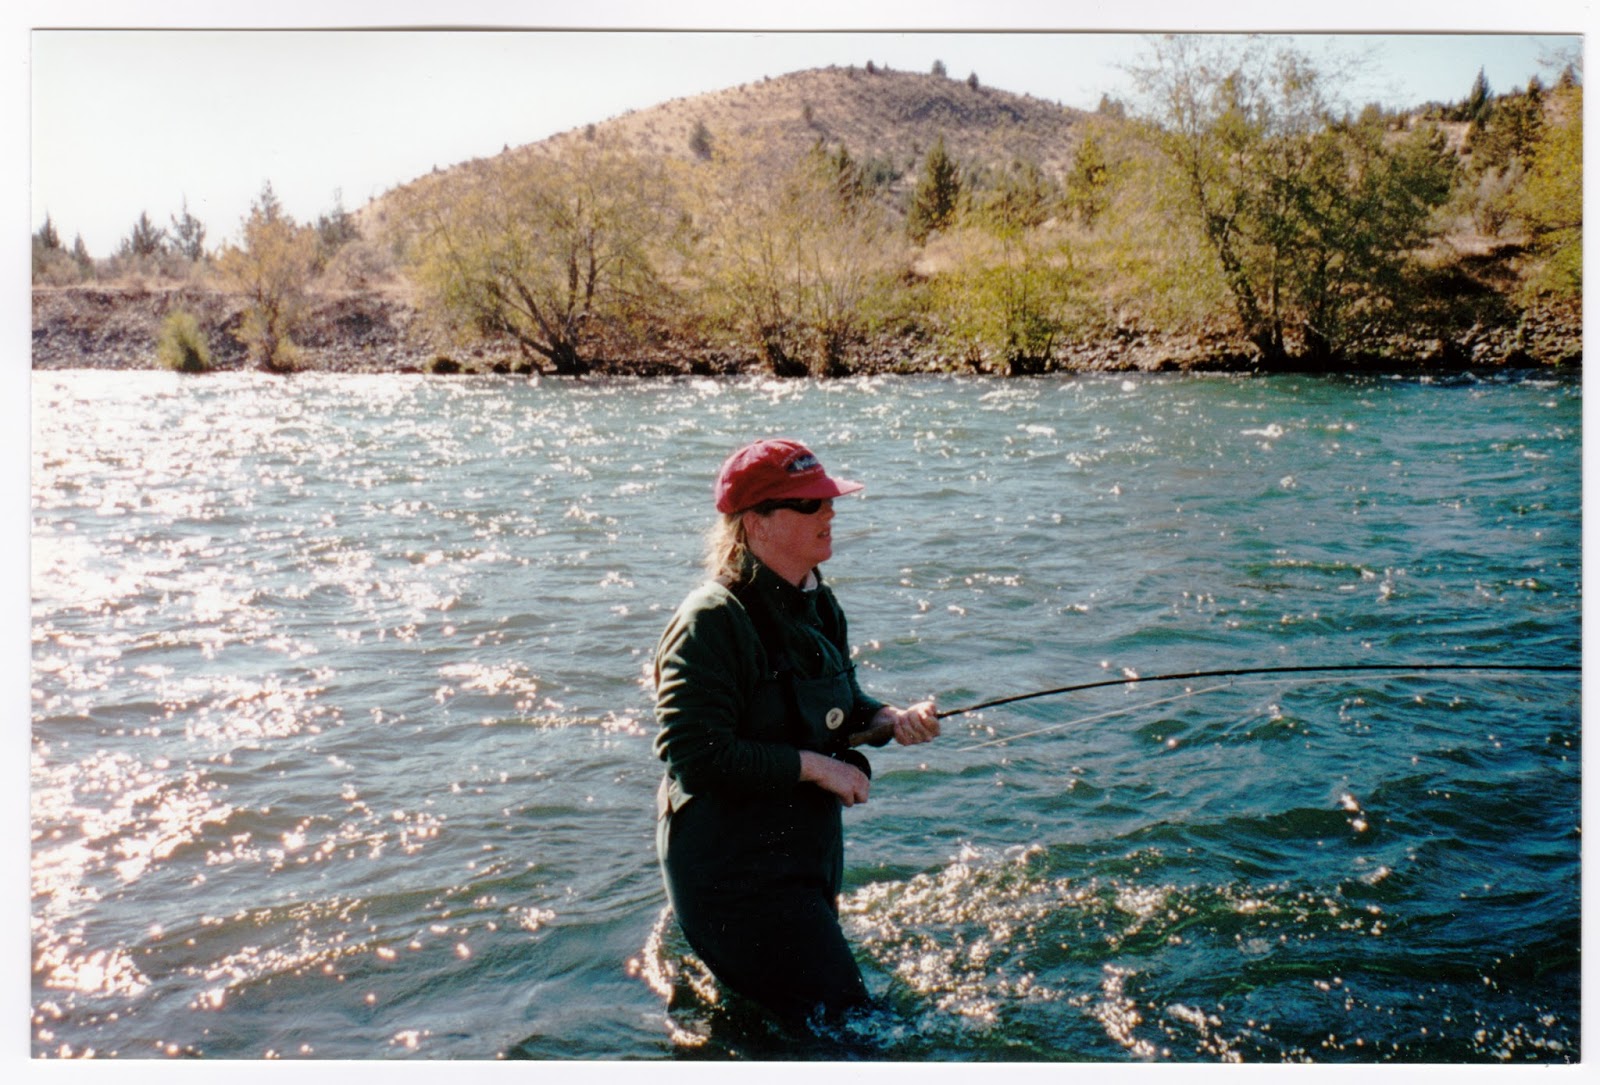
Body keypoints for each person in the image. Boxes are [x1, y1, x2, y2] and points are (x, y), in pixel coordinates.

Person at [652, 438, 940, 1024]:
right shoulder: (710, 621)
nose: (829, 513)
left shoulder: (820, 602)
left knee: (812, 1025)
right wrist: (817, 766)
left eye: (829, 501)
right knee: (855, 1032)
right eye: (810, 505)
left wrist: (886, 719)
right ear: (756, 522)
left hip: (804, 854)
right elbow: (694, 757)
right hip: (734, 871)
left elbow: (842, 703)